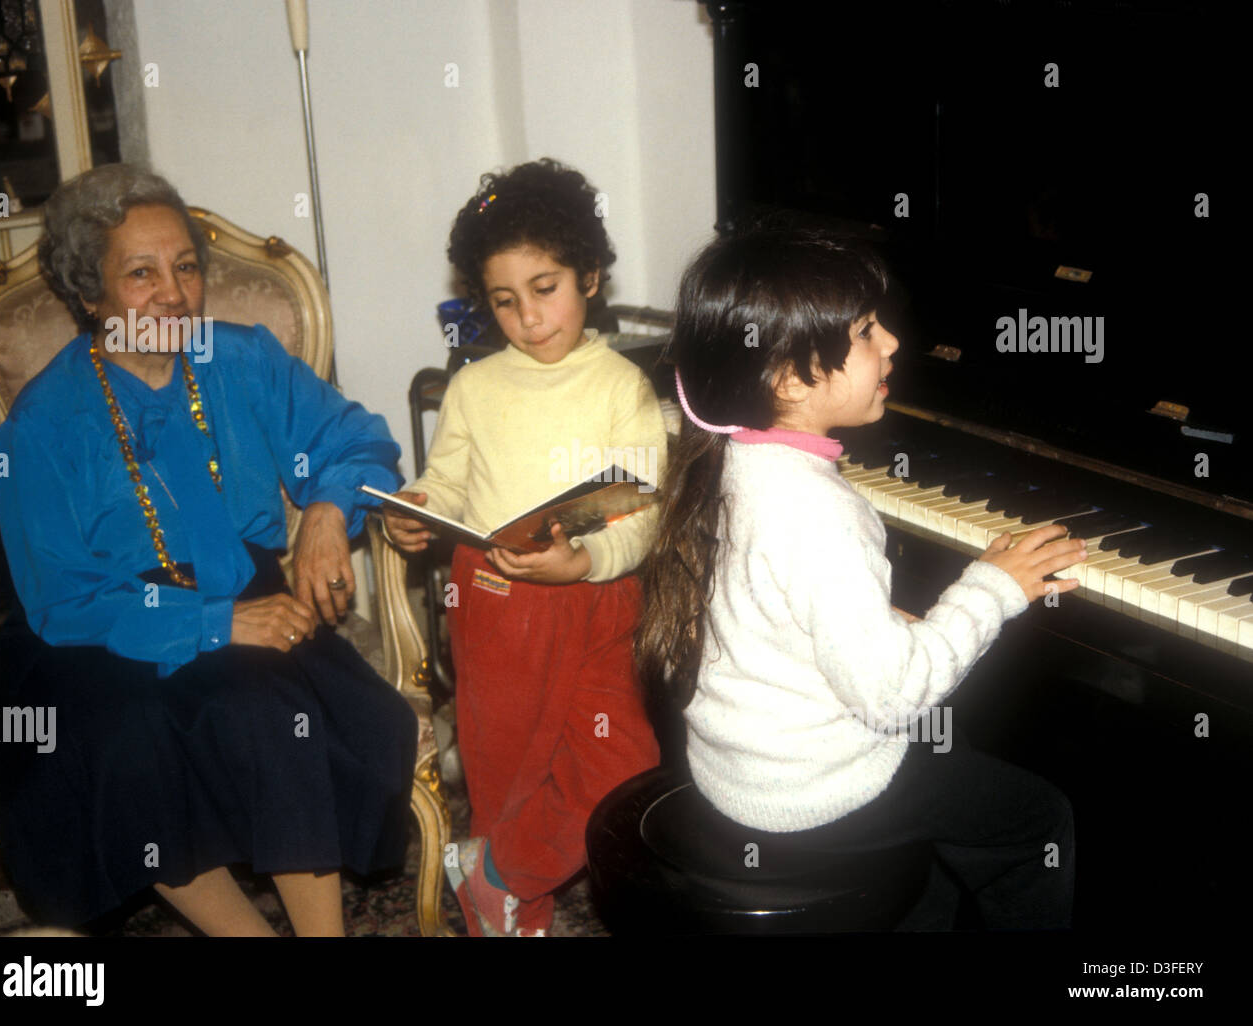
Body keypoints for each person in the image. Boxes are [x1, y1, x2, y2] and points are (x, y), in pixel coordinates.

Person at [0, 163, 417, 936]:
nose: (172, 294)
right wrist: (214, 625)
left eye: (184, 267)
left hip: (248, 589)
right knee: (129, 743)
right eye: (140, 274)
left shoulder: (240, 358)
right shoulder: (41, 423)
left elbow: (356, 438)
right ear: (87, 292)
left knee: (275, 714)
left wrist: (322, 509)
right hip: (95, 633)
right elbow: (59, 598)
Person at [634, 226, 1083, 929]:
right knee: (1037, 820)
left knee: (943, 803)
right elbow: (891, 698)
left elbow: (776, 610)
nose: (893, 344)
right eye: (866, 331)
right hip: (816, 796)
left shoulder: (729, 459)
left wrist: (896, 621)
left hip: (741, 770)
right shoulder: (818, 511)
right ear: (786, 377)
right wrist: (994, 586)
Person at [384, 159, 664, 936]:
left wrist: (586, 561)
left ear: (591, 277)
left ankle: (499, 873)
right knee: (509, 770)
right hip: (498, 600)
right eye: (504, 302)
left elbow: (641, 515)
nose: (529, 319)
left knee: (624, 765)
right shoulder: (475, 386)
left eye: (546, 290)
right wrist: (417, 510)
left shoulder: (621, 388)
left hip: (599, 598)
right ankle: (515, 912)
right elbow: (445, 482)